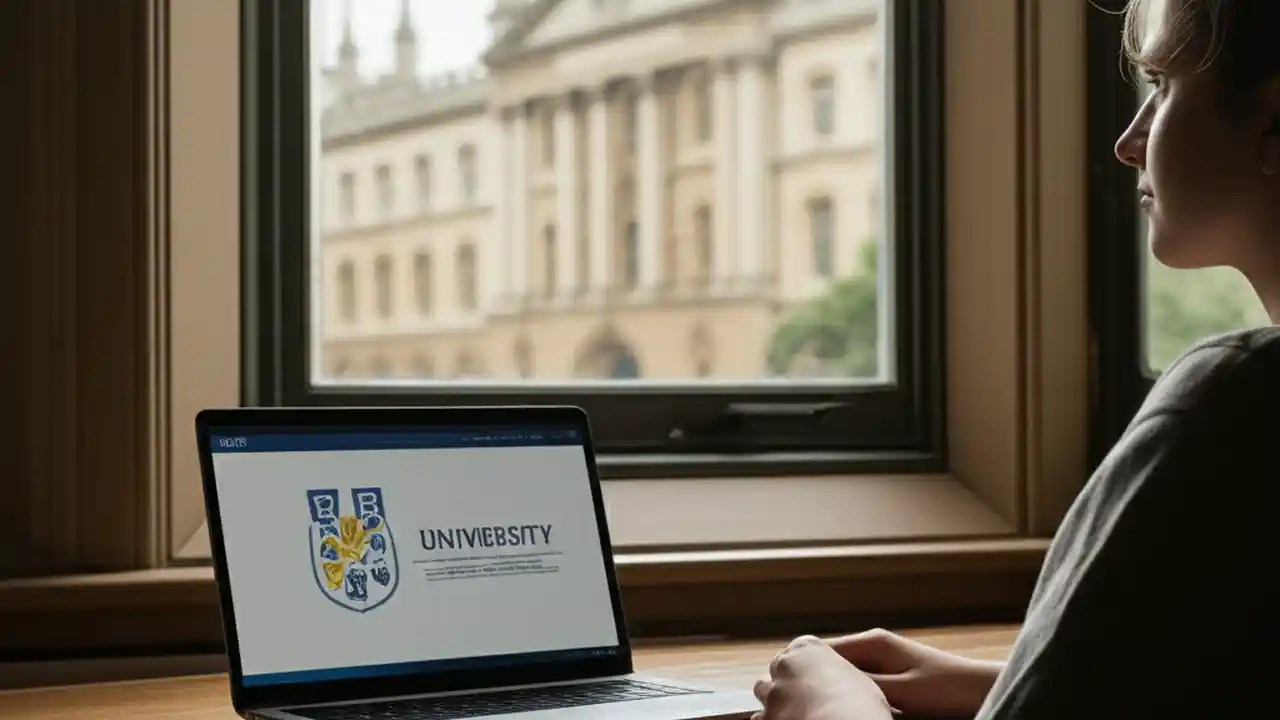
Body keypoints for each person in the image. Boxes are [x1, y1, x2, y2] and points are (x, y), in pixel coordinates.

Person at [751, 0, 1280, 717]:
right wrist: (1007, 680)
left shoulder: (1232, 405)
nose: (1130, 141)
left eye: (1163, 84)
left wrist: (831, 703)